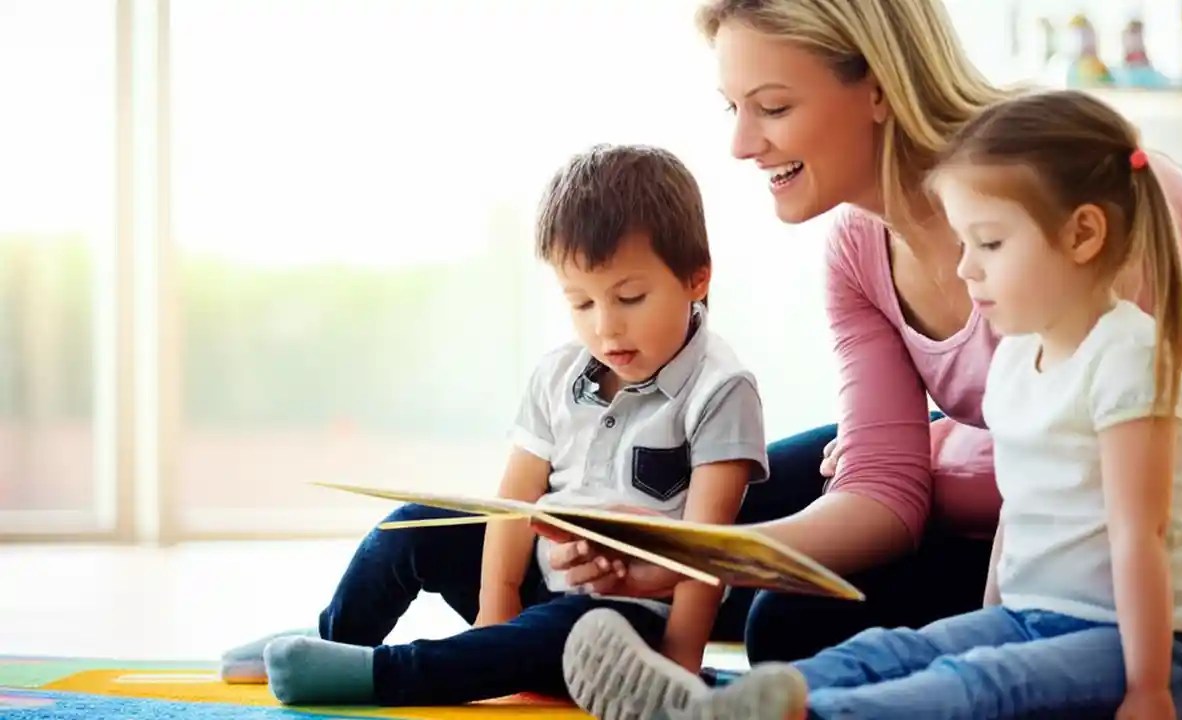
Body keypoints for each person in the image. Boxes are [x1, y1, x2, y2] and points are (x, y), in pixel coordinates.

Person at [545, 0, 1182, 698]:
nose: (741, 144)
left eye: (772, 107)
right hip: (1061, 520)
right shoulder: (857, 247)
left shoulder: (1070, 203)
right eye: (732, 108)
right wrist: (680, 556)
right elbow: (884, 488)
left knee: (791, 623)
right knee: (741, 544)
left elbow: (1079, 477)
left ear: (878, 87)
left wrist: (944, 453)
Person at [218, 143, 770, 706]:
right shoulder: (557, 373)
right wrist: (497, 605)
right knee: (414, 526)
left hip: (626, 621)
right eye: (581, 303)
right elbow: (514, 503)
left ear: (696, 278)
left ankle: (380, 674)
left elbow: (708, 553)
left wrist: (677, 669)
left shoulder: (722, 389)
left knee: (561, 632)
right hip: (535, 581)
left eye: (630, 297)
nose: (606, 328)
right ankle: (335, 638)